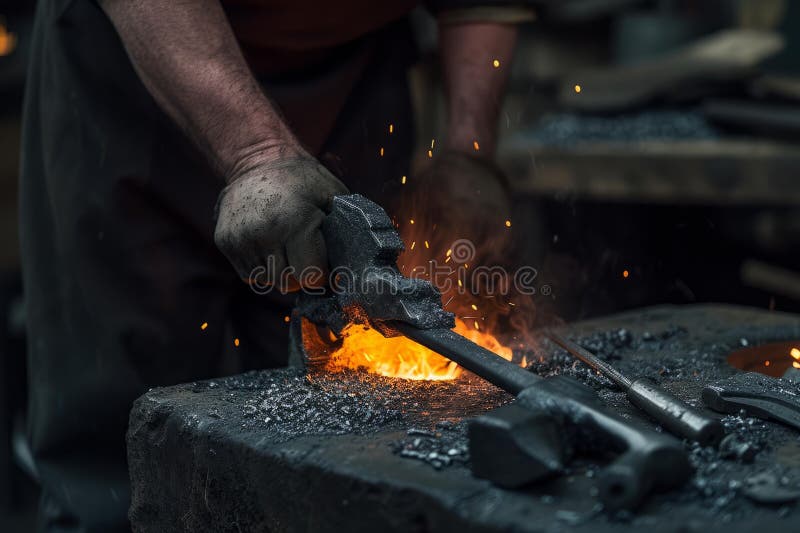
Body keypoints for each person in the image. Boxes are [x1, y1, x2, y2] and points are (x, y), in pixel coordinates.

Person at [19, 0, 532, 530]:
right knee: (116, 438)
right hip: (136, 68)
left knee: (338, 408)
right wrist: (256, 152)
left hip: (352, 75)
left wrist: (469, 149)